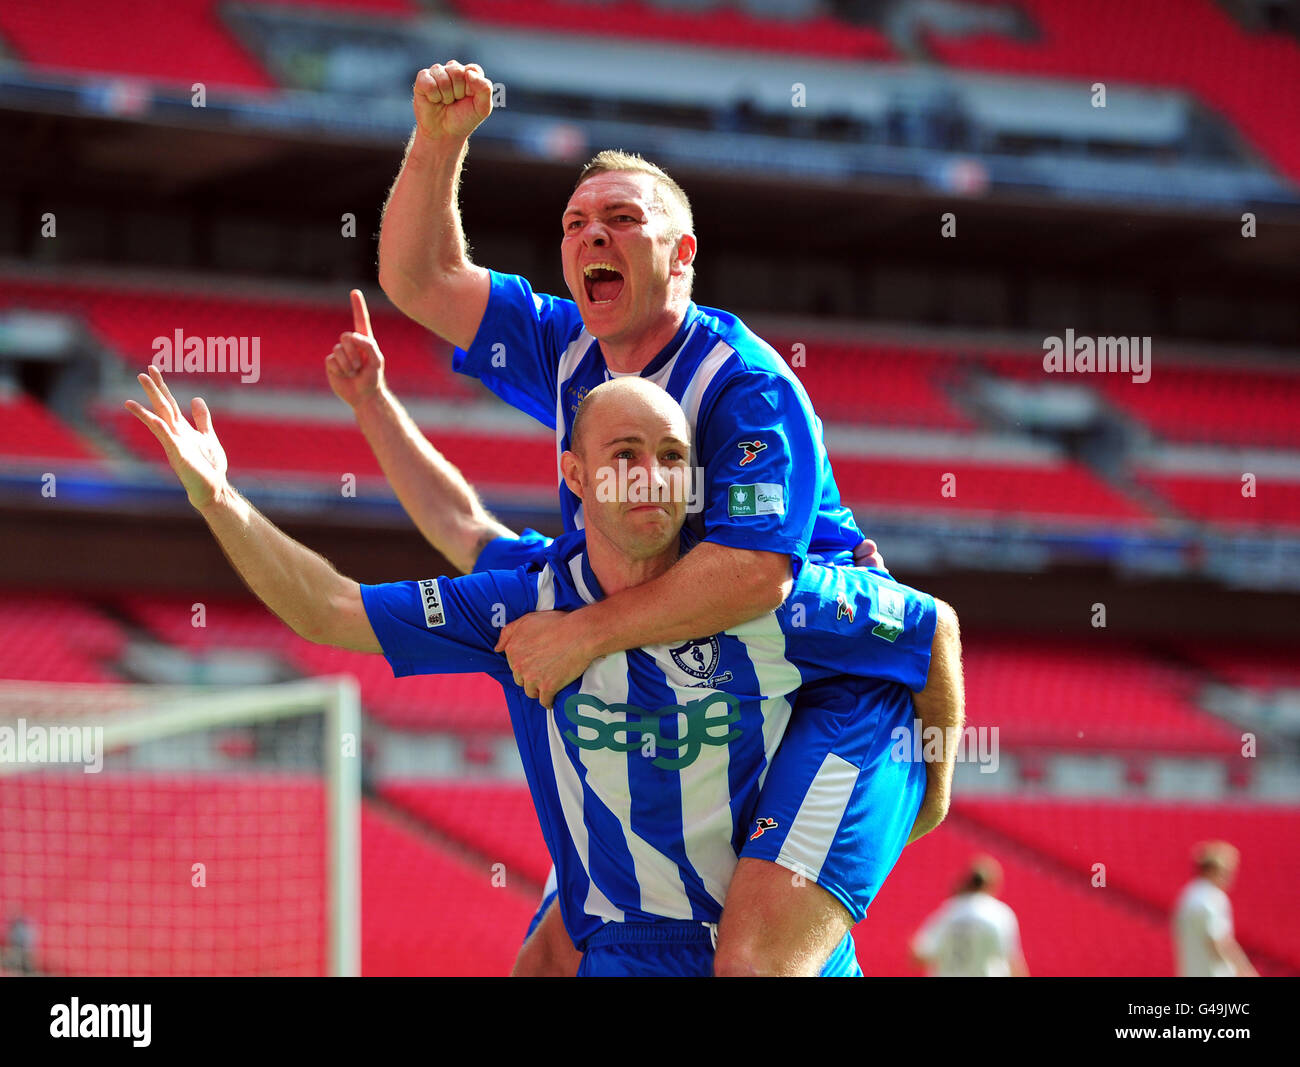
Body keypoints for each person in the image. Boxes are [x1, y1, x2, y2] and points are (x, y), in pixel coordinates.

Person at [366, 59, 964, 976]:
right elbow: (419, 275)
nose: (591, 234)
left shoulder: (745, 385)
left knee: (753, 960)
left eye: (622, 219)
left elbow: (755, 573)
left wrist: (581, 636)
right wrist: (441, 142)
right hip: (690, 682)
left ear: (682, 254)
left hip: (824, 681)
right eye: (575, 223)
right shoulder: (569, 343)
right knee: (551, 959)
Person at [126, 366, 952, 977]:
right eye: (624, 451)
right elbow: (334, 610)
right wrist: (220, 500)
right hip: (618, 949)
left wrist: (934, 789)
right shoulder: (522, 600)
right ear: (574, 473)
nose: (651, 473)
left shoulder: (765, 592)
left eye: (671, 455)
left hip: (758, 944)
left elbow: (930, 627)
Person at [910, 855, 1028, 977]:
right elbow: (1013, 962)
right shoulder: (1000, 915)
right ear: (992, 884)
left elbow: (918, 956)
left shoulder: (949, 911)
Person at [1172, 840, 1256, 978]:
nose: (1230, 877)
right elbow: (1218, 941)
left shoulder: (1187, 896)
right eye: (1226, 871)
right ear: (1212, 870)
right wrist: (1243, 971)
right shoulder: (1211, 899)